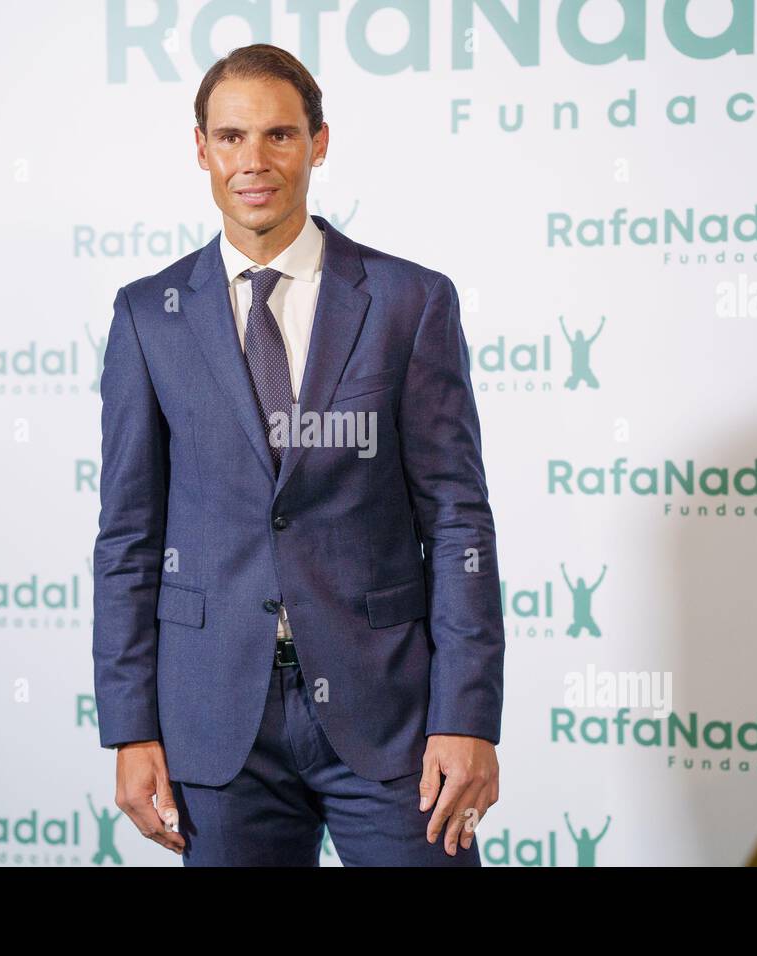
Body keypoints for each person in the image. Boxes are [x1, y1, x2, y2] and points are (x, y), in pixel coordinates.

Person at [92, 43, 504, 866]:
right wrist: (129, 728)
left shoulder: (409, 301)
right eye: (232, 136)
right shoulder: (149, 316)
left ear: (318, 144)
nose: (254, 161)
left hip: (390, 714)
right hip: (216, 722)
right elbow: (128, 539)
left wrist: (466, 715)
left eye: (279, 136)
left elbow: (459, 523)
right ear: (200, 149)